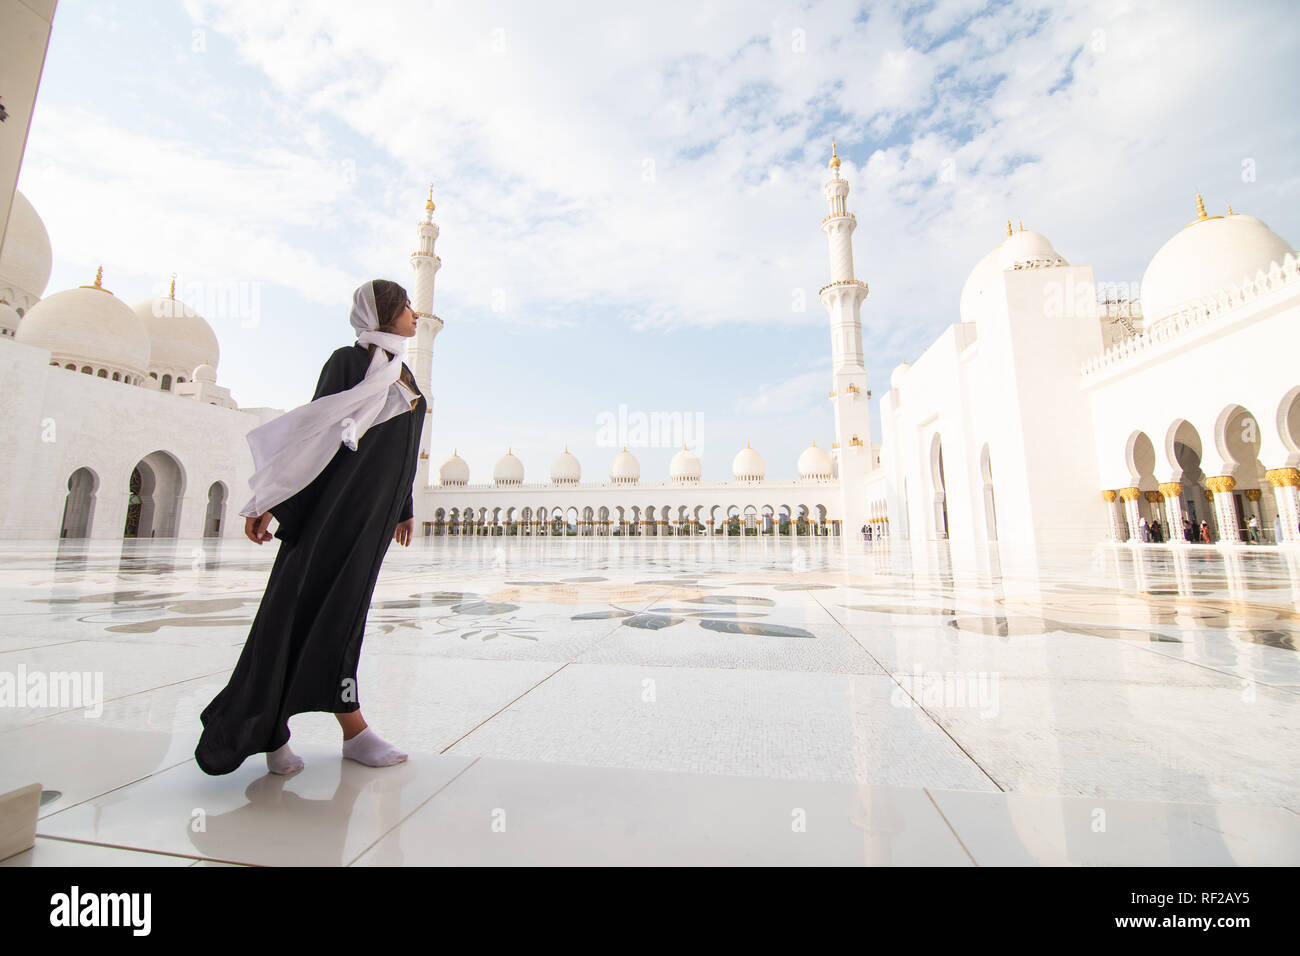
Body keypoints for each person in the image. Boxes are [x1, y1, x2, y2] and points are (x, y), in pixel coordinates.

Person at [195, 279, 426, 777]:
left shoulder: (403, 376)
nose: (416, 311)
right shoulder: (348, 362)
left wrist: (403, 507)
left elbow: (404, 453)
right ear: (385, 313)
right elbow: (311, 437)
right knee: (294, 614)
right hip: (328, 517)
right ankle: (293, 731)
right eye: (406, 305)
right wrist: (273, 500)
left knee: (341, 619)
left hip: (369, 523)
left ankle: (329, 729)